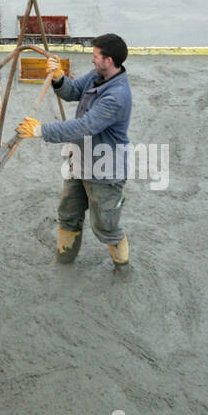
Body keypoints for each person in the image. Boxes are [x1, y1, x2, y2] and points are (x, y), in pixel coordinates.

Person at [16, 33, 132, 275]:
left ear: (108, 60)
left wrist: (40, 130)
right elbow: (72, 91)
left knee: (105, 225)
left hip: (104, 170)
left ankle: (122, 268)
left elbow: (84, 126)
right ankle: (64, 261)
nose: (92, 60)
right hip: (80, 161)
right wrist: (59, 78)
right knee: (68, 213)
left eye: (95, 56)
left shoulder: (117, 96)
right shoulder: (98, 76)